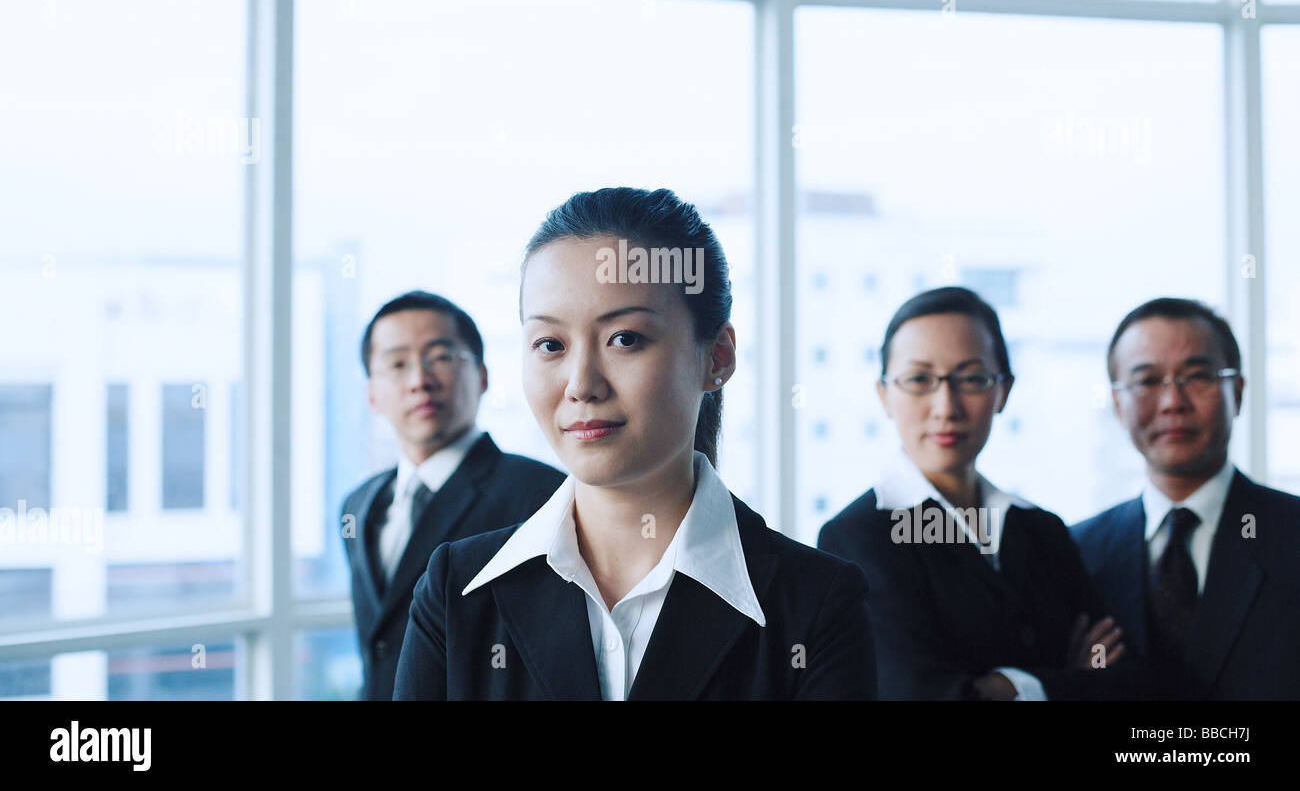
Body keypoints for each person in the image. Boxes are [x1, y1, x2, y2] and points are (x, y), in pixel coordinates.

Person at [394, 187, 875, 700]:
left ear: (717, 357)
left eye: (625, 339)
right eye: (550, 345)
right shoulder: (456, 593)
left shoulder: (816, 606)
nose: (581, 383)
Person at [819, 287, 1132, 700]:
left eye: (971, 378)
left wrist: (1001, 688)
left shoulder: (1043, 530)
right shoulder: (857, 536)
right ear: (884, 395)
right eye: (919, 380)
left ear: (1004, 390)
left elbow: (1121, 681)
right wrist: (1054, 682)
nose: (946, 406)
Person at [1072, 298, 1300, 700]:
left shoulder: (1291, 533)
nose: (1172, 402)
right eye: (1146, 381)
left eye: (1197, 376)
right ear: (1118, 405)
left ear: (1238, 392)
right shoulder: (1075, 552)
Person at [342, 291, 564, 700]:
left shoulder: (544, 496)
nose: (418, 381)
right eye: (396, 364)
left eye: (441, 357)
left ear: (482, 376)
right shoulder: (358, 507)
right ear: (372, 393)